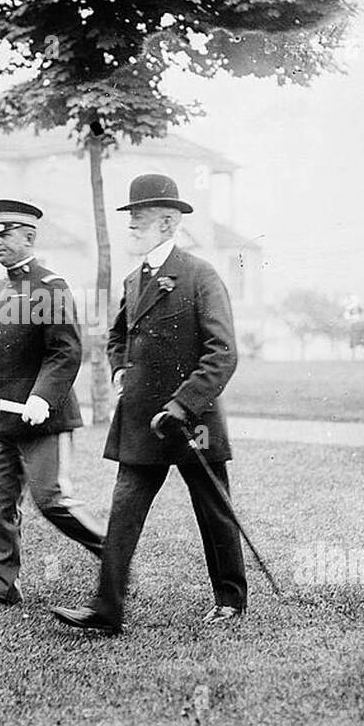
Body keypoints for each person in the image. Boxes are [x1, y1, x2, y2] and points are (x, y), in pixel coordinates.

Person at [51, 174, 246, 633]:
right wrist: (120, 367)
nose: (132, 226)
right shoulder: (133, 280)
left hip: (190, 421)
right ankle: (107, 609)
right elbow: (118, 335)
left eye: (139, 220)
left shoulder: (201, 275)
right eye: (131, 219)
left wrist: (182, 405)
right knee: (123, 513)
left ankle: (231, 601)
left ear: (168, 222)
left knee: (213, 511)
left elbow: (223, 353)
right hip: (141, 420)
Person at [0, 199, 105, 609]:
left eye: (5, 235)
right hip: (3, 420)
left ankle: (114, 556)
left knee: (51, 499)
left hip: (44, 418)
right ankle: (1, 588)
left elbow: (66, 351)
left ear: (29, 237)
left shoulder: (51, 287)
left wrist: (41, 398)